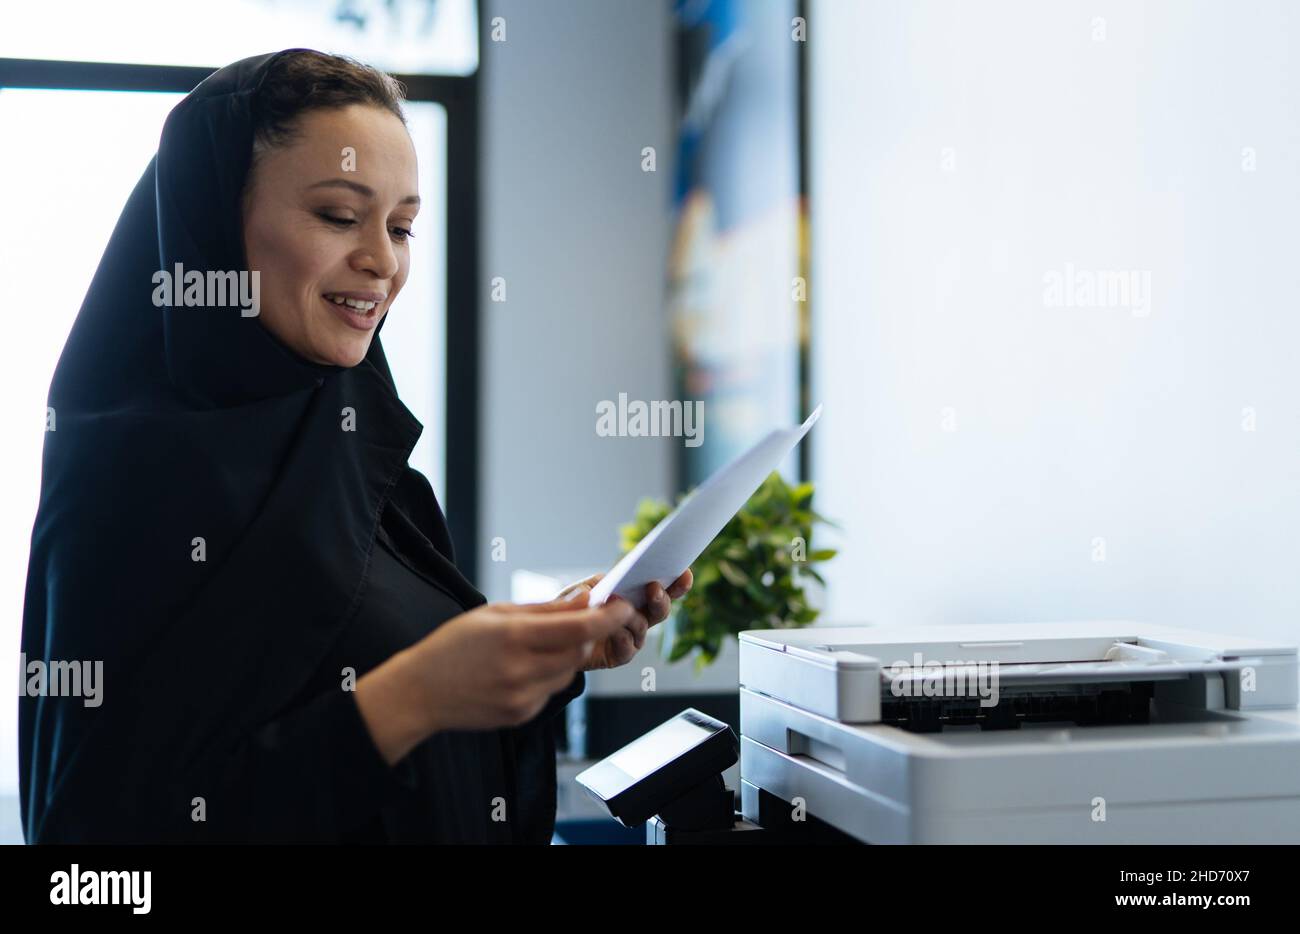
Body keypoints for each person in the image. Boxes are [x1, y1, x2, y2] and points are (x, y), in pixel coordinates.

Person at [19, 48, 692, 844]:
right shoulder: (128, 489)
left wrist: (543, 656)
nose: (383, 261)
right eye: (340, 216)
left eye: (401, 226)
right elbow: (92, 860)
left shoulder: (354, 455)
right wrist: (409, 696)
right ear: (212, 223)